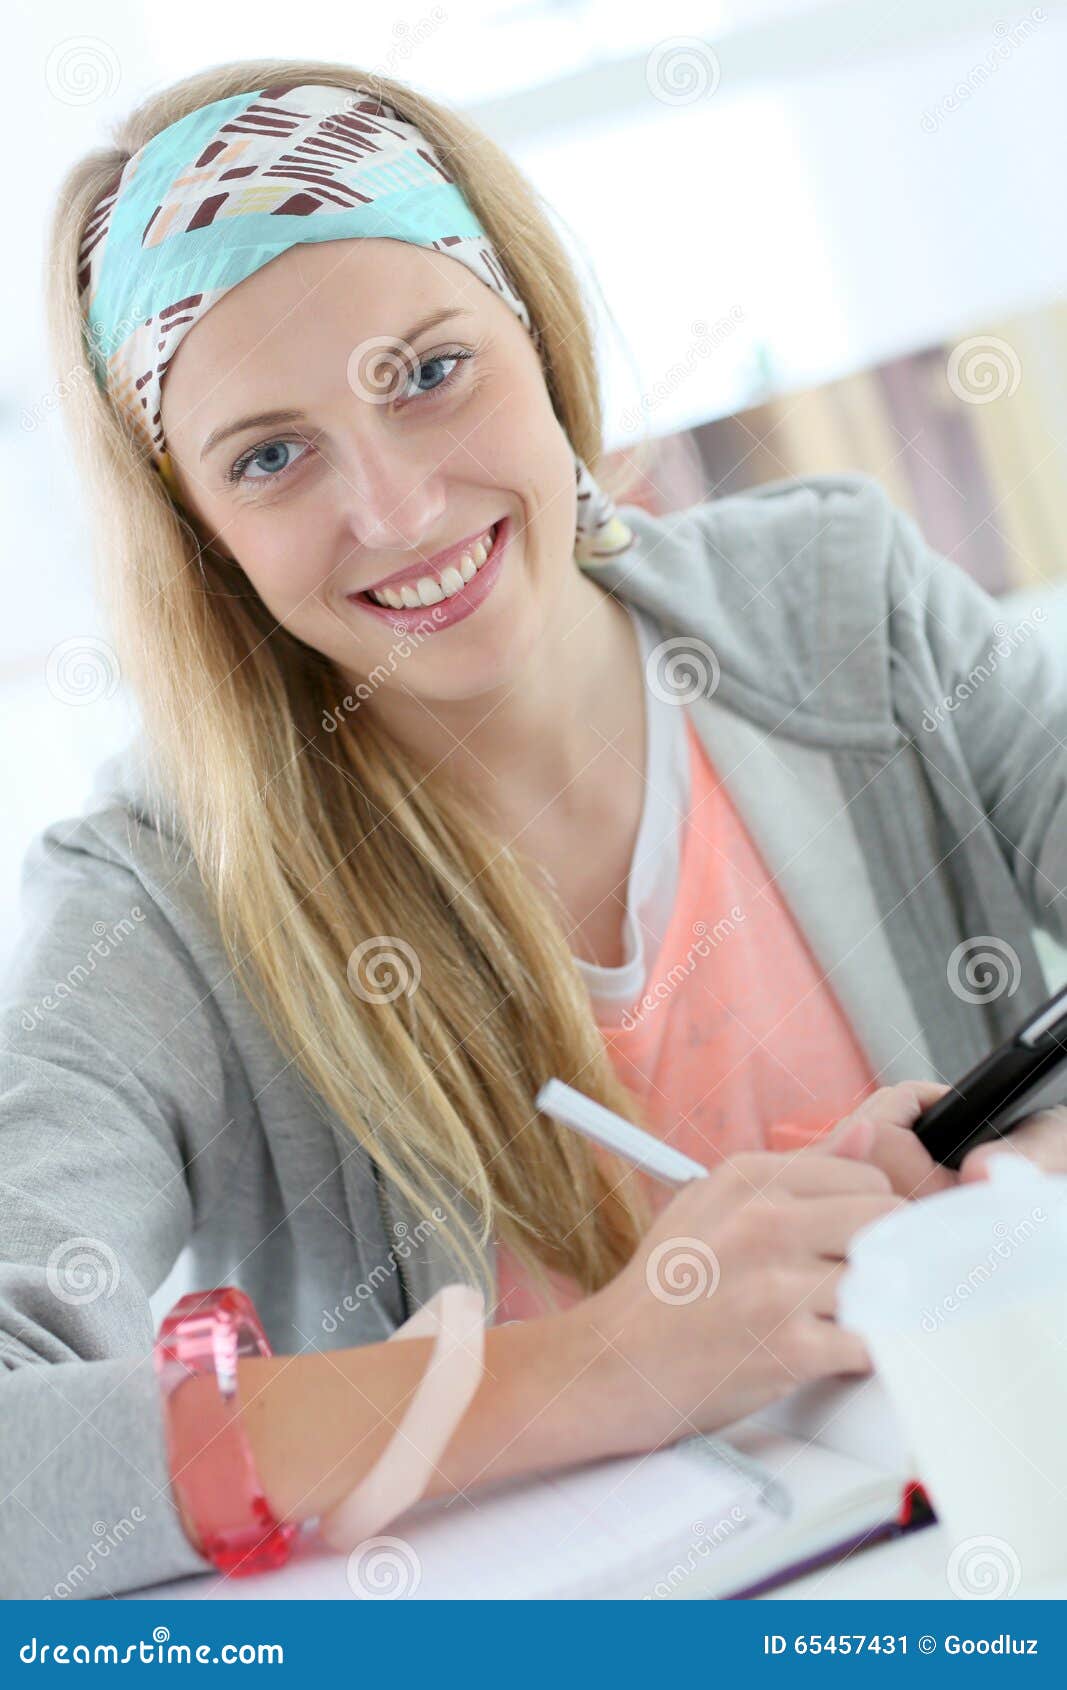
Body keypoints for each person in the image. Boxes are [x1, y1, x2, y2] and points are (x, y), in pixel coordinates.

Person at [3, 58, 1066, 1600]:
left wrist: (1012, 1192)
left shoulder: (843, 602)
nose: (398, 506)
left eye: (428, 370)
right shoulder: (156, 901)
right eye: (271, 455)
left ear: (539, 334)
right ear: (200, 533)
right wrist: (607, 1366)